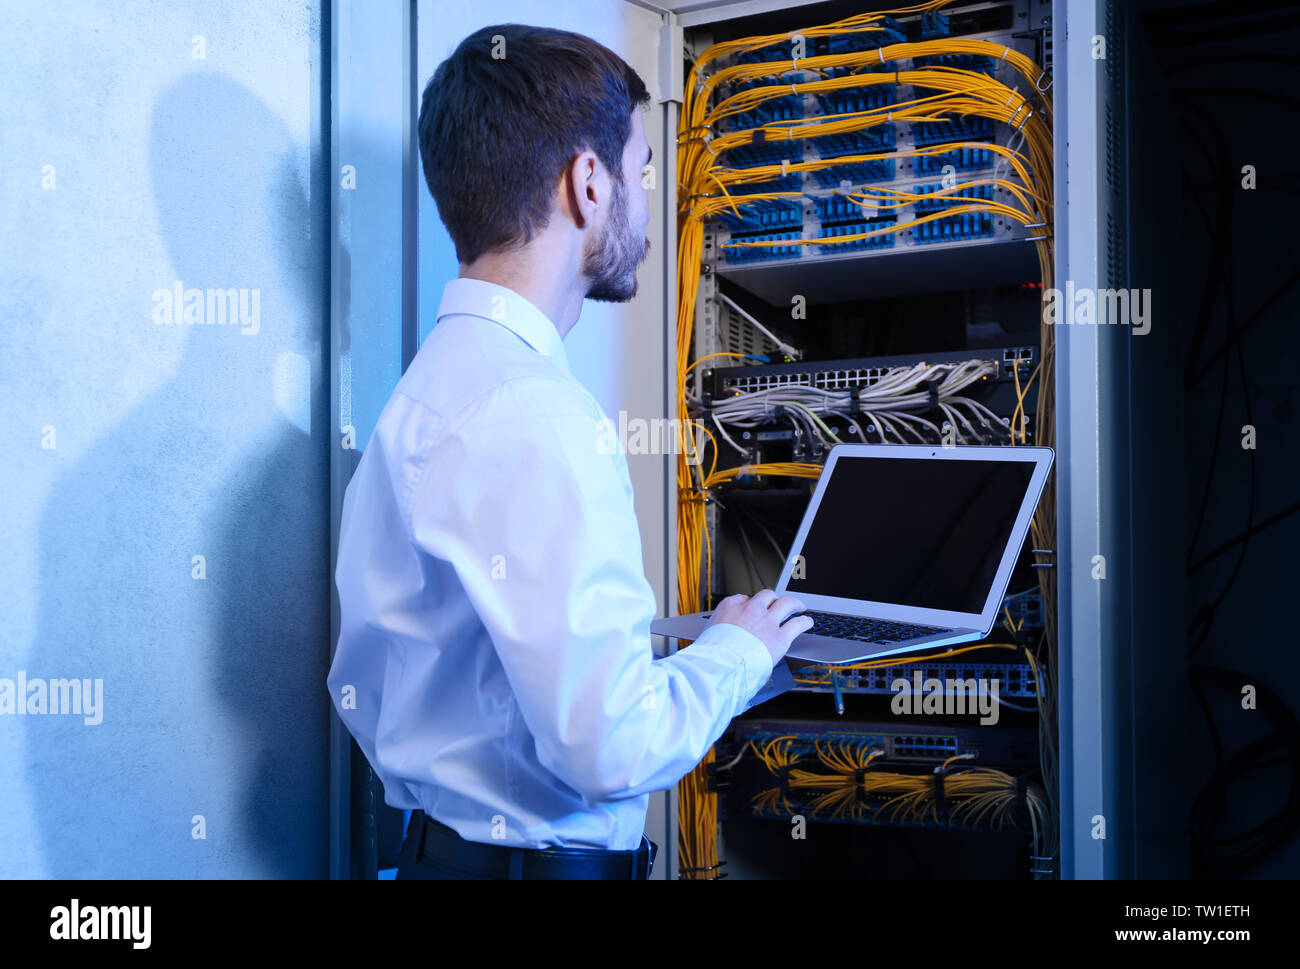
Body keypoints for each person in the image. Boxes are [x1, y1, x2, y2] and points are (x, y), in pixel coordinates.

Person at [326, 22, 813, 880]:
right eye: (641, 169)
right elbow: (609, 747)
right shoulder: (536, 415)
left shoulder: (425, 394)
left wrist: (697, 659)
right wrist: (737, 654)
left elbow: (456, 685)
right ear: (589, 183)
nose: (649, 196)